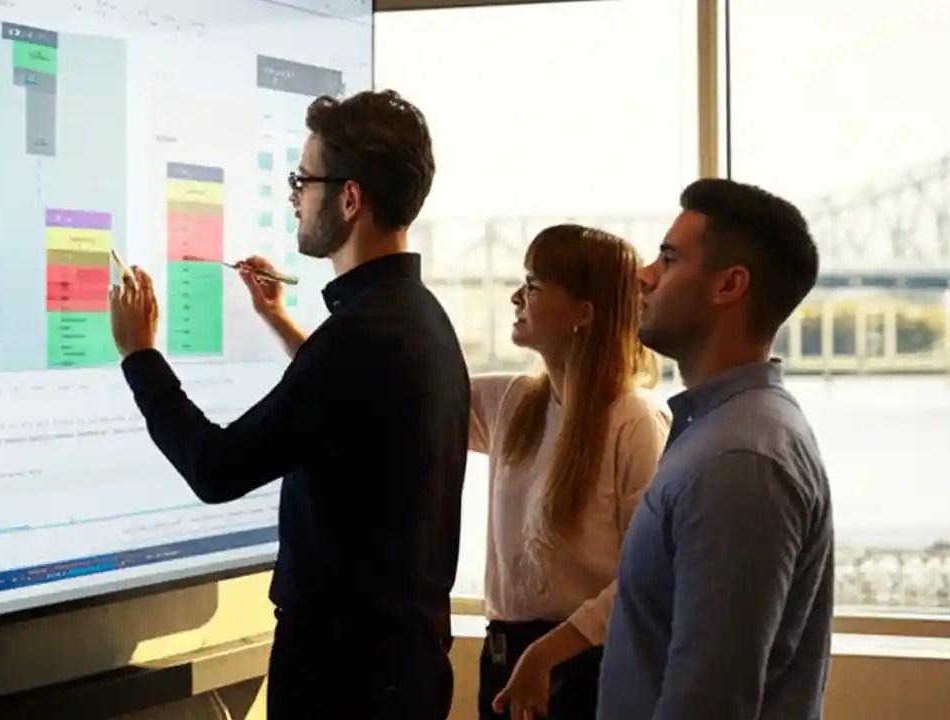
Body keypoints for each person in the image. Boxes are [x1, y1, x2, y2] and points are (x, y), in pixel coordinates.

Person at [109, 89, 467, 720]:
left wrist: (140, 355)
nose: (294, 197)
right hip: (397, 671)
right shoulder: (417, 318)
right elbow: (351, 409)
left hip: (344, 684)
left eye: (303, 180)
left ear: (350, 199)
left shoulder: (360, 338)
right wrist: (279, 320)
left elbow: (217, 468)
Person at [598, 178, 834, 720]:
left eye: (669, 259)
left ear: (729, 285)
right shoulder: (724, 430)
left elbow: (708, 700)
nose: (644, 275)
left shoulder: (738, 462)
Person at [467, 224, 670, 720]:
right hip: (504, 661)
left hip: (588, 669)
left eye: (533, 285)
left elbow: (650, 576)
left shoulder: (635, 422)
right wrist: (283, 320)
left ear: (584, 313)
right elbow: (395, 391)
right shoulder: (513, 401)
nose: (516, 297)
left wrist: (548, 654)